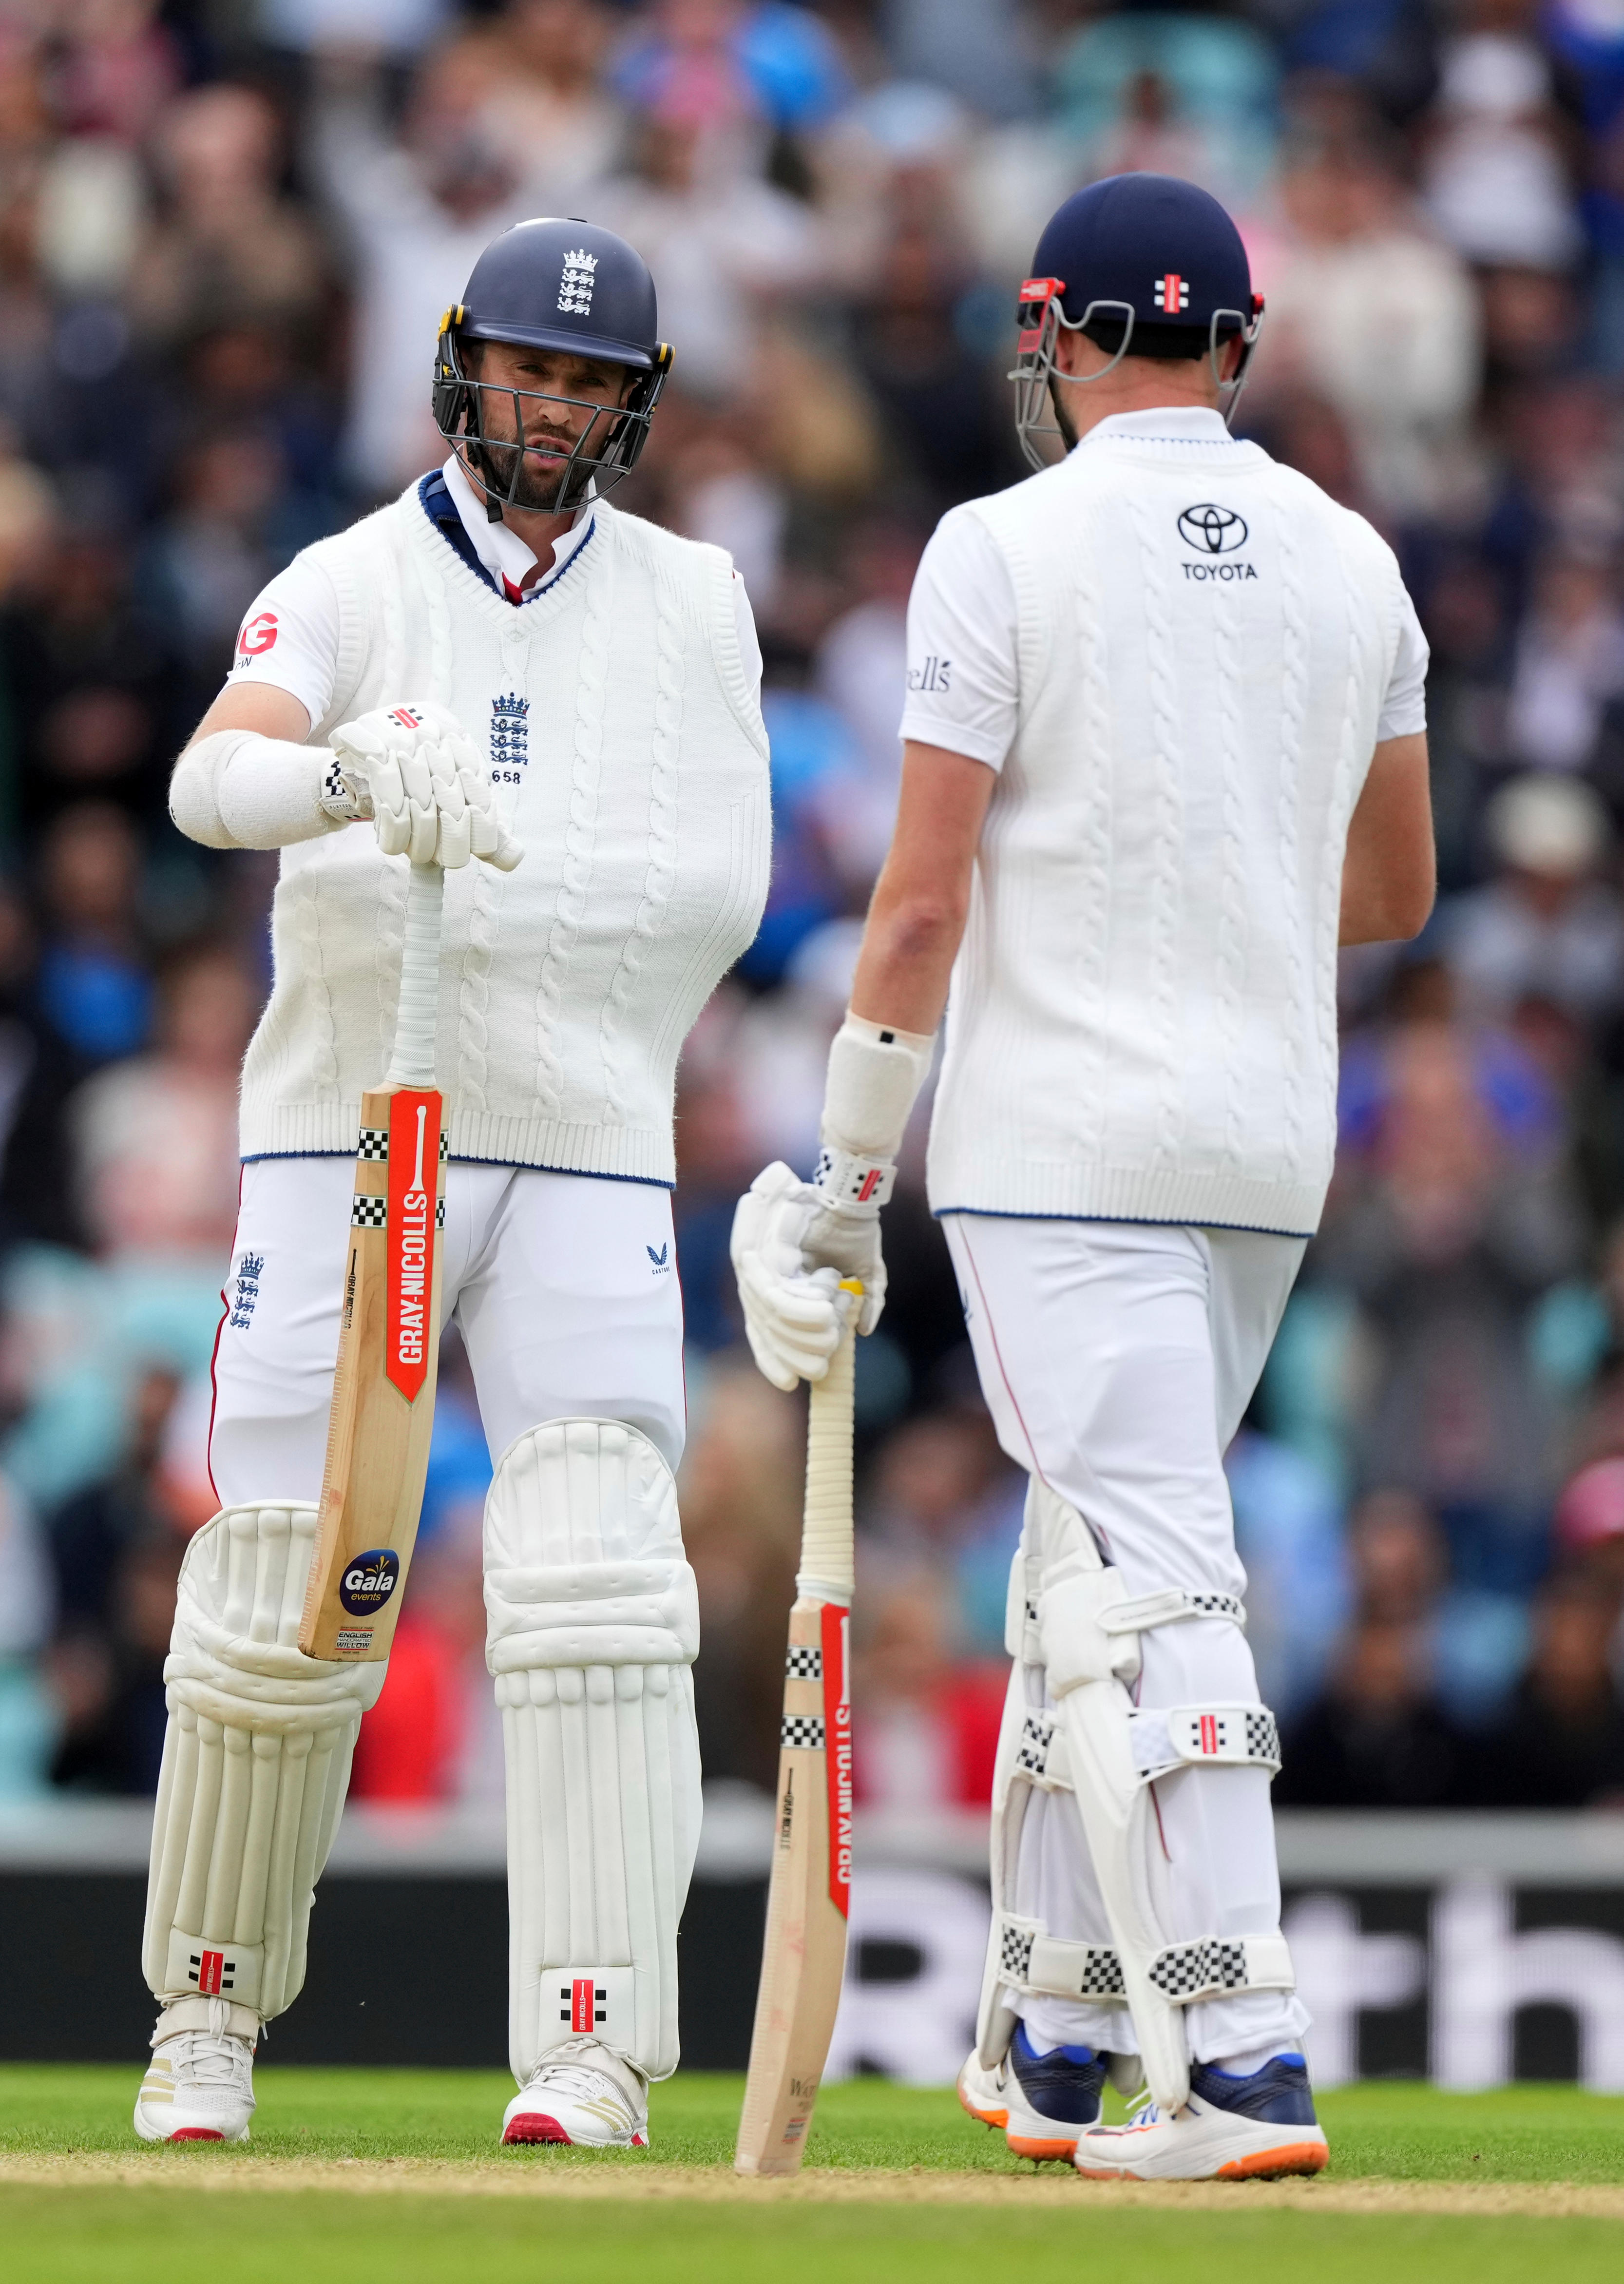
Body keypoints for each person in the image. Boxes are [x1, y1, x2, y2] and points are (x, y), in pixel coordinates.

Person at [730, 173, 1435, 2181]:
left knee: (1142, 1579)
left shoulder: (998, 548)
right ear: (1239, 338)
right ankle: (1049, 2030)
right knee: (1089, 1562)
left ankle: (1236, 2046)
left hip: (1062, 1141)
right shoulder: (1351, 556)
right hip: (1264, 1144)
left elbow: (919, 905)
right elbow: (1390, 891)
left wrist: (846, 1173)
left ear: (1056, 337)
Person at [140, 219, 771, 2149]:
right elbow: (206, 779)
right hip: (348, 1131)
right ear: (458, 367)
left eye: (594, 381)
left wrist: (507, 881)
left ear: (634, 408)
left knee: (596, 1582)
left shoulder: (697, 598)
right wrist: (351, 782)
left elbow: (721, 888)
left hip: (582, 1136)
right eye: (529, 369)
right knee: (285, 1579)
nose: (558, 406)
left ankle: (592, 2039)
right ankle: (211, 2021)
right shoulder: (346, 578)